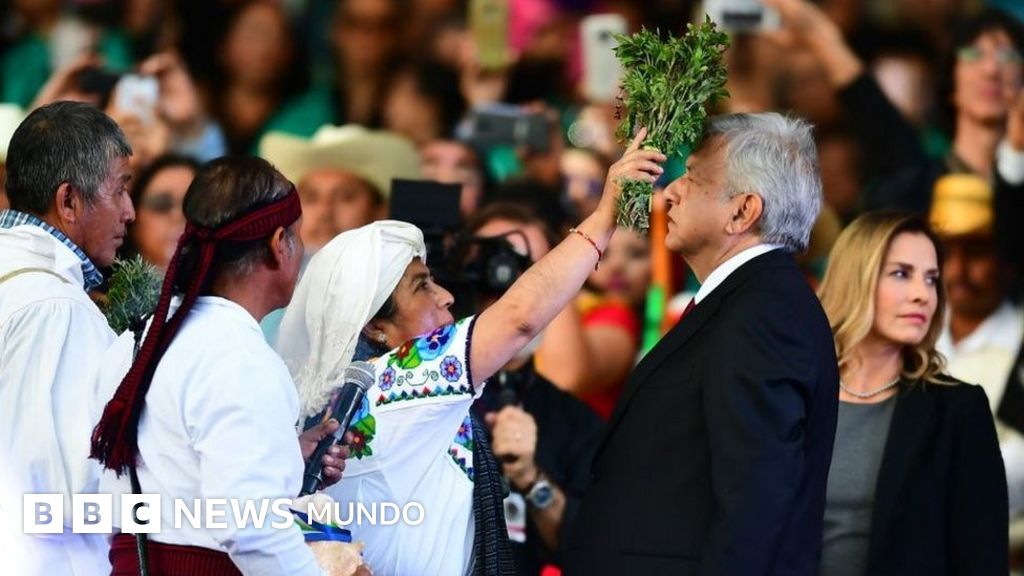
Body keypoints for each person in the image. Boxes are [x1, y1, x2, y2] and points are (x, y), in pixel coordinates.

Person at [276, 129, 665, 576]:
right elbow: (520, 317)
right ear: (375, 327)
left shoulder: (344, 398)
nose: (445, 296)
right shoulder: (391, 380)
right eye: (421, 286)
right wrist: (603, 216)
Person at [566, 113, 839, 575]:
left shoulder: (763, 315)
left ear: (742, 211)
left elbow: (755, 501)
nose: (669, 191)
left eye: (691, 177)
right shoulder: (754, 302)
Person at [91, 156, 347, 574]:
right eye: (298, 238)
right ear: (279, 243)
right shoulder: (240, 357)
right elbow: (252, 529)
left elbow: (169, 474)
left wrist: (282, 455)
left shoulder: (138, 339)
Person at [816, 211, 1007, 574]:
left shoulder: (958, 410)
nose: (923, 295)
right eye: (901, 274)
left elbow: (982, 558)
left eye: (931, 279)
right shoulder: (797, 394)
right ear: (856, 279)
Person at [0, 101, 134, 575]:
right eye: (120, 190)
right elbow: (56, 500)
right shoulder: (53, 307)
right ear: (69, 201)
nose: (129, 212)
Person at [465, 202, 606, 574]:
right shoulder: (411, 387)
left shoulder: (574, 421)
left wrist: (530, 478)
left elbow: (588, 547)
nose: (512, 286)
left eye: (533, 272)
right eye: (493, 262)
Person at [120, 154, 200, 269]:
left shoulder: (227, 283)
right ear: (133, 216)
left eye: (194, 206)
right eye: (162, 205)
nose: (179, 216)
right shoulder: (102, 285)